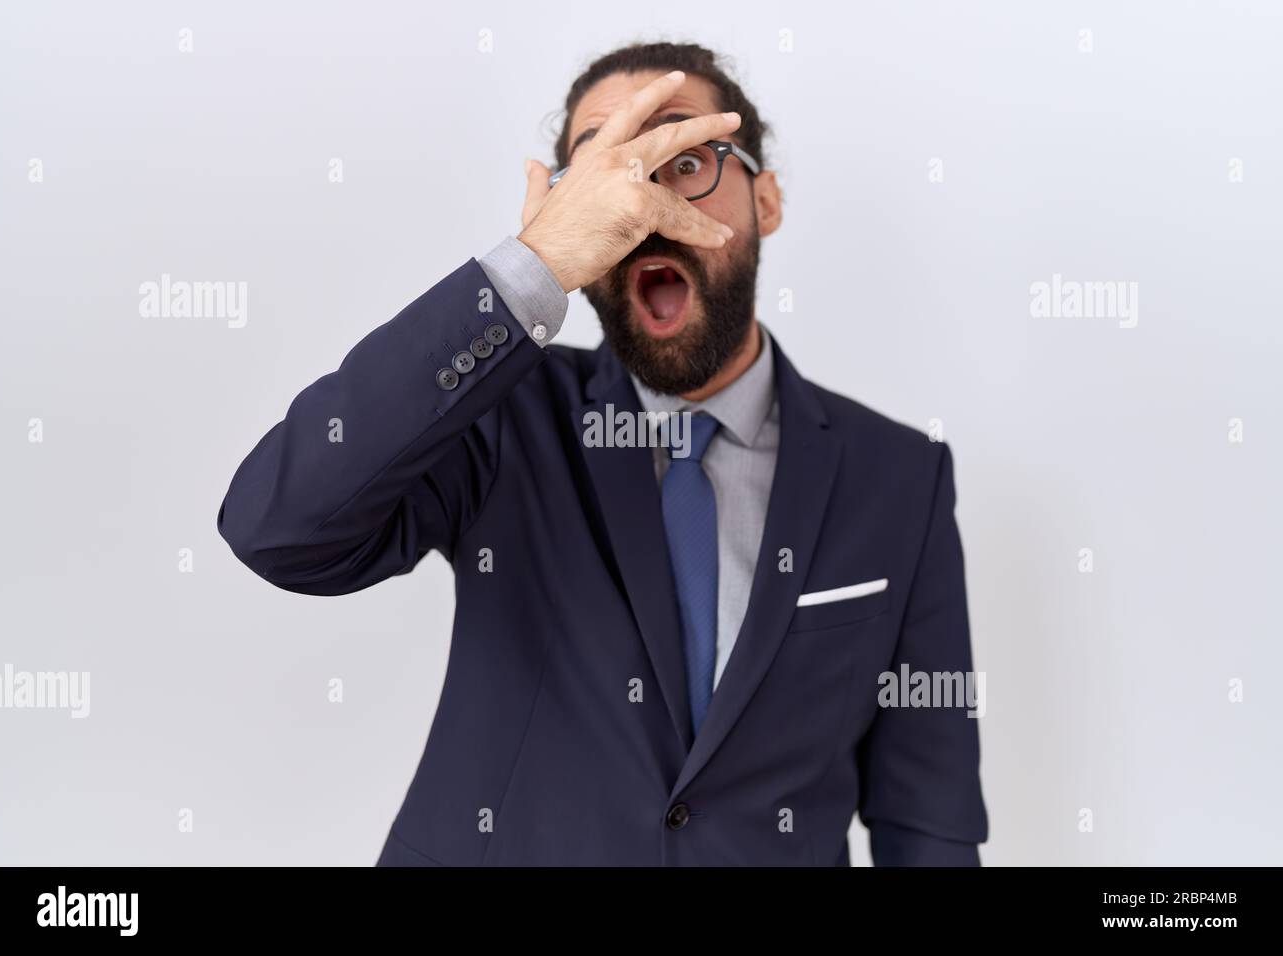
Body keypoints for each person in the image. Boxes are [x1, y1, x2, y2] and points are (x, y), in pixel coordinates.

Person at [218, 42, 987, 866]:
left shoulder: (900, 476)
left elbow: (927, 822)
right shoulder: (504, 414)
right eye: (607, 178)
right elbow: (279, 526)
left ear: (766, 198)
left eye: (685, 159)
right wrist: (532, 269)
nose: (647, 207)